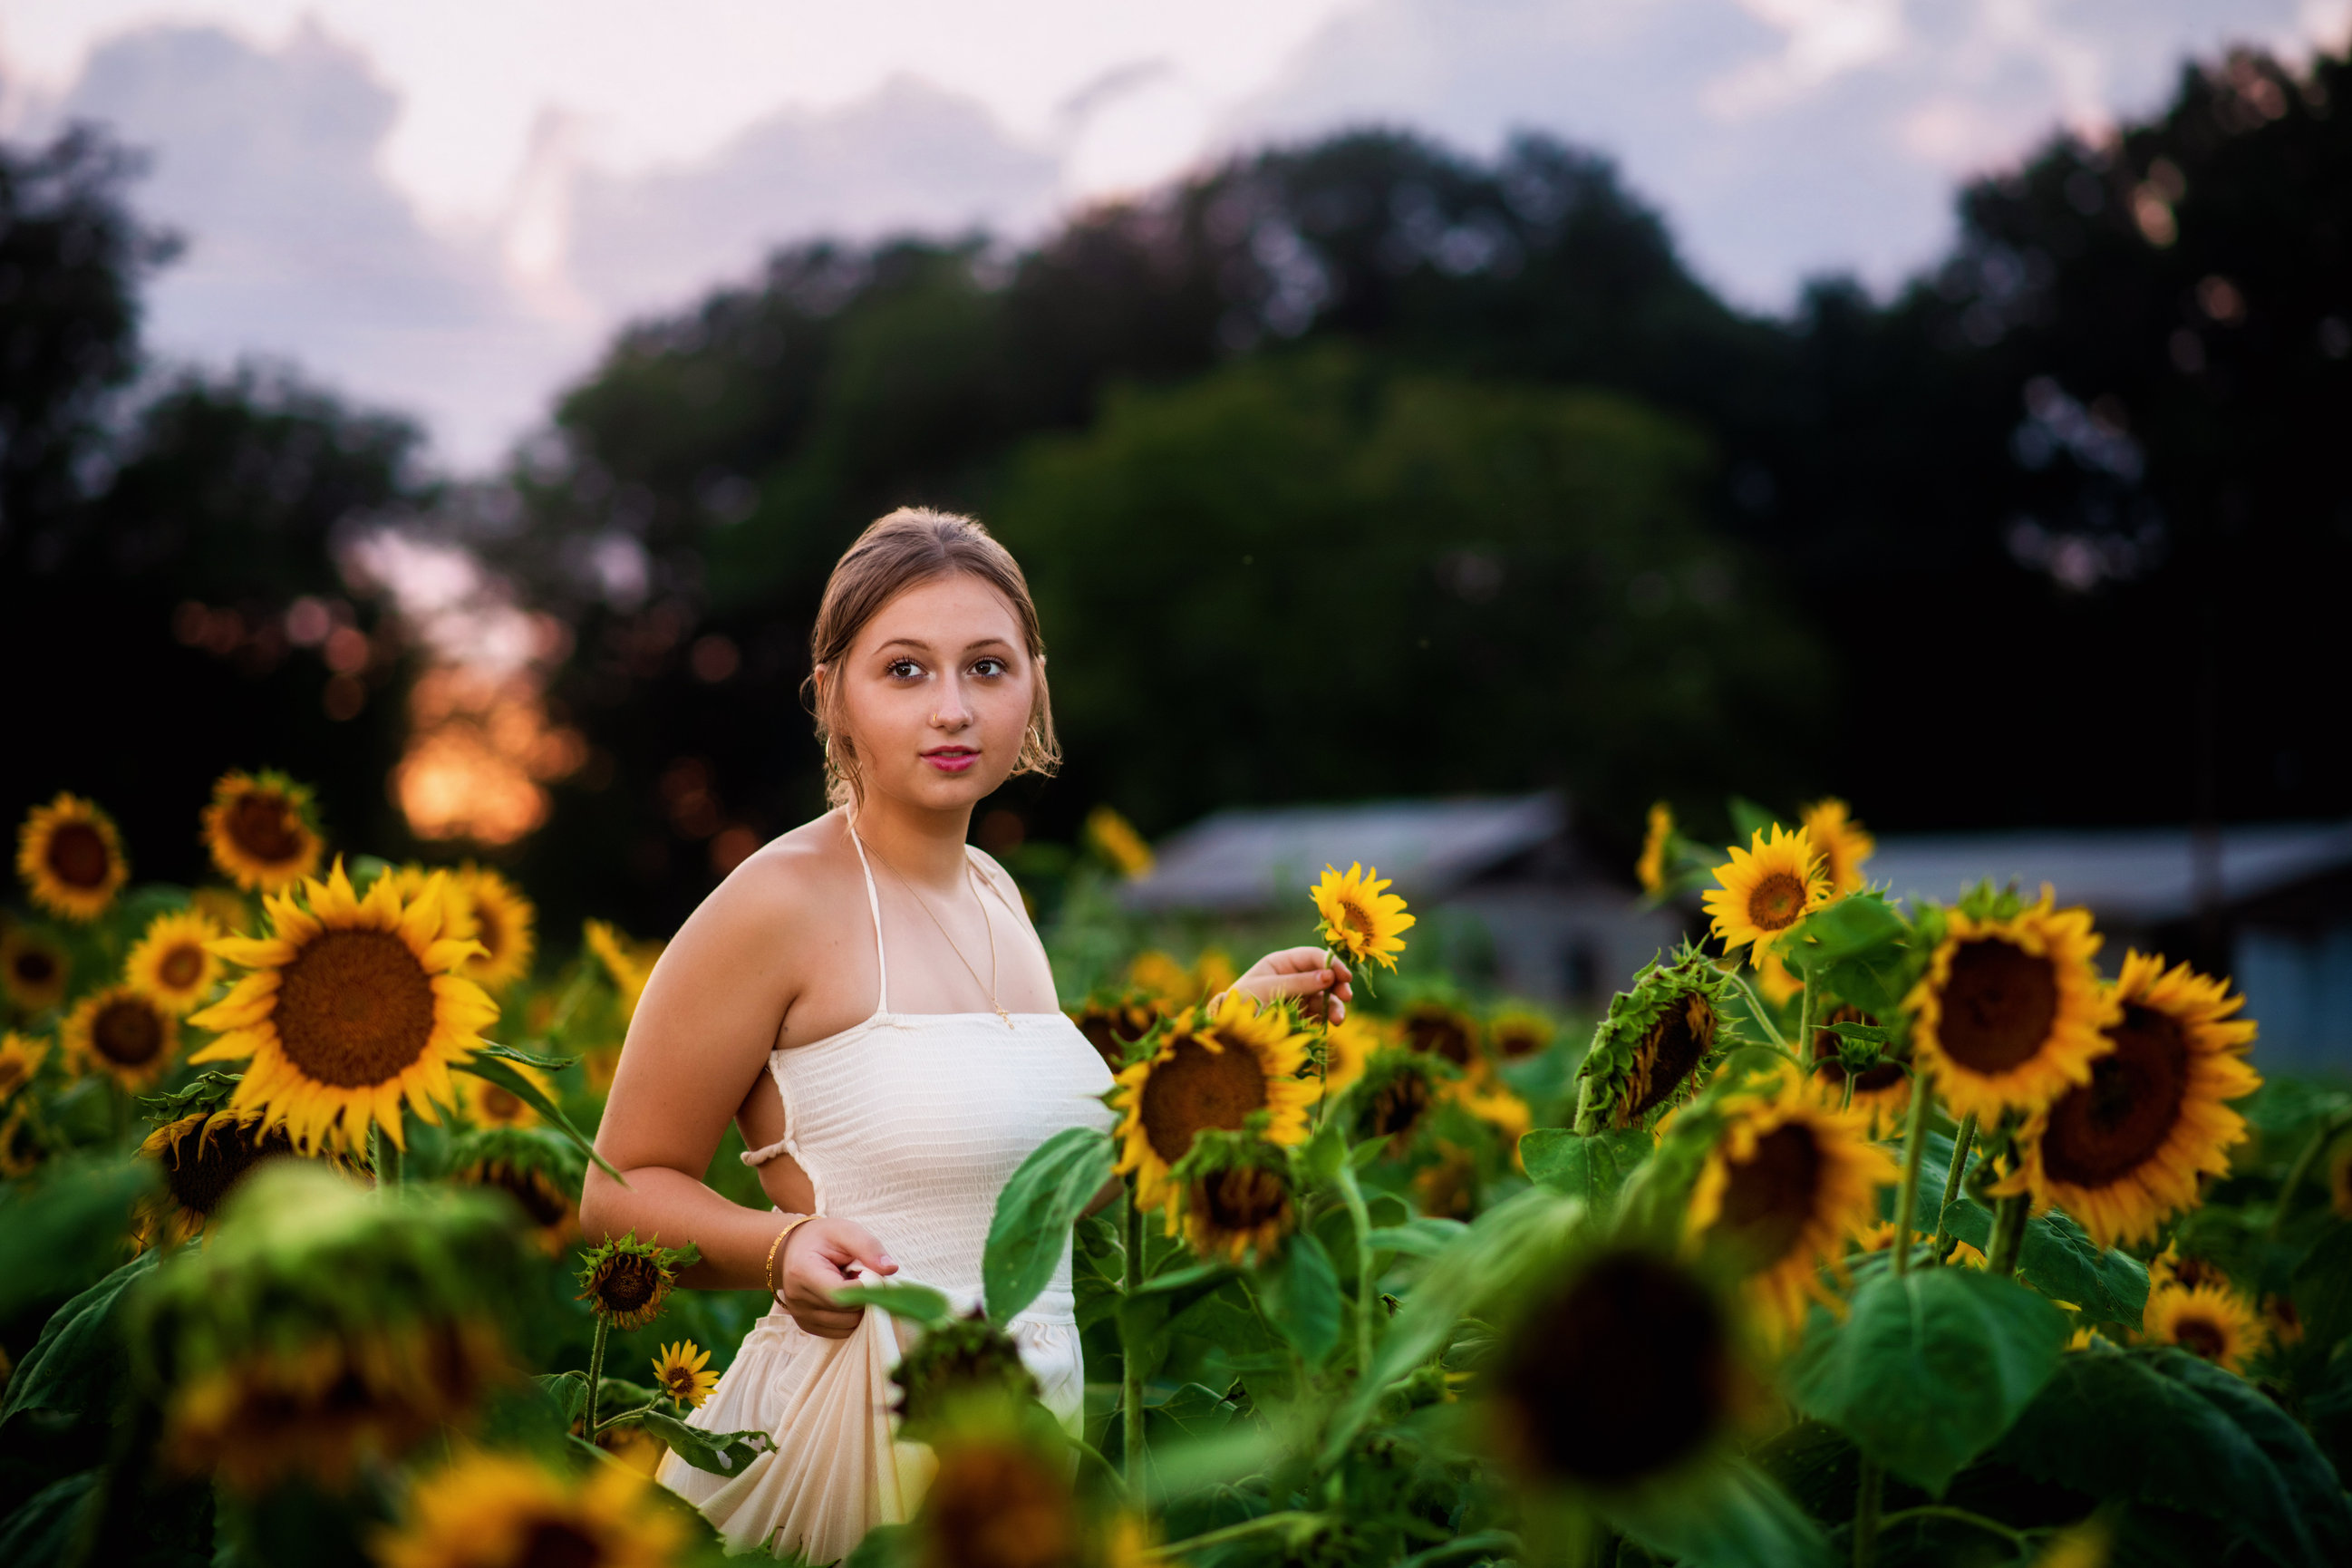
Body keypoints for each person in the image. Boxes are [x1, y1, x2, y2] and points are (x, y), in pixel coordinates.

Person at [579, 508, 1351, 1560]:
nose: (952, 709)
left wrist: (1215, 1044)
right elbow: (616, 1190)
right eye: (905, 671)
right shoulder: (775, 904)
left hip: (1019, 1463)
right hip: (843, 1437)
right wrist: (782, 1244)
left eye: (986, 667)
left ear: (1034, 681)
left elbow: (1044, 1193)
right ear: (833, 693)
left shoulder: (996, 895)